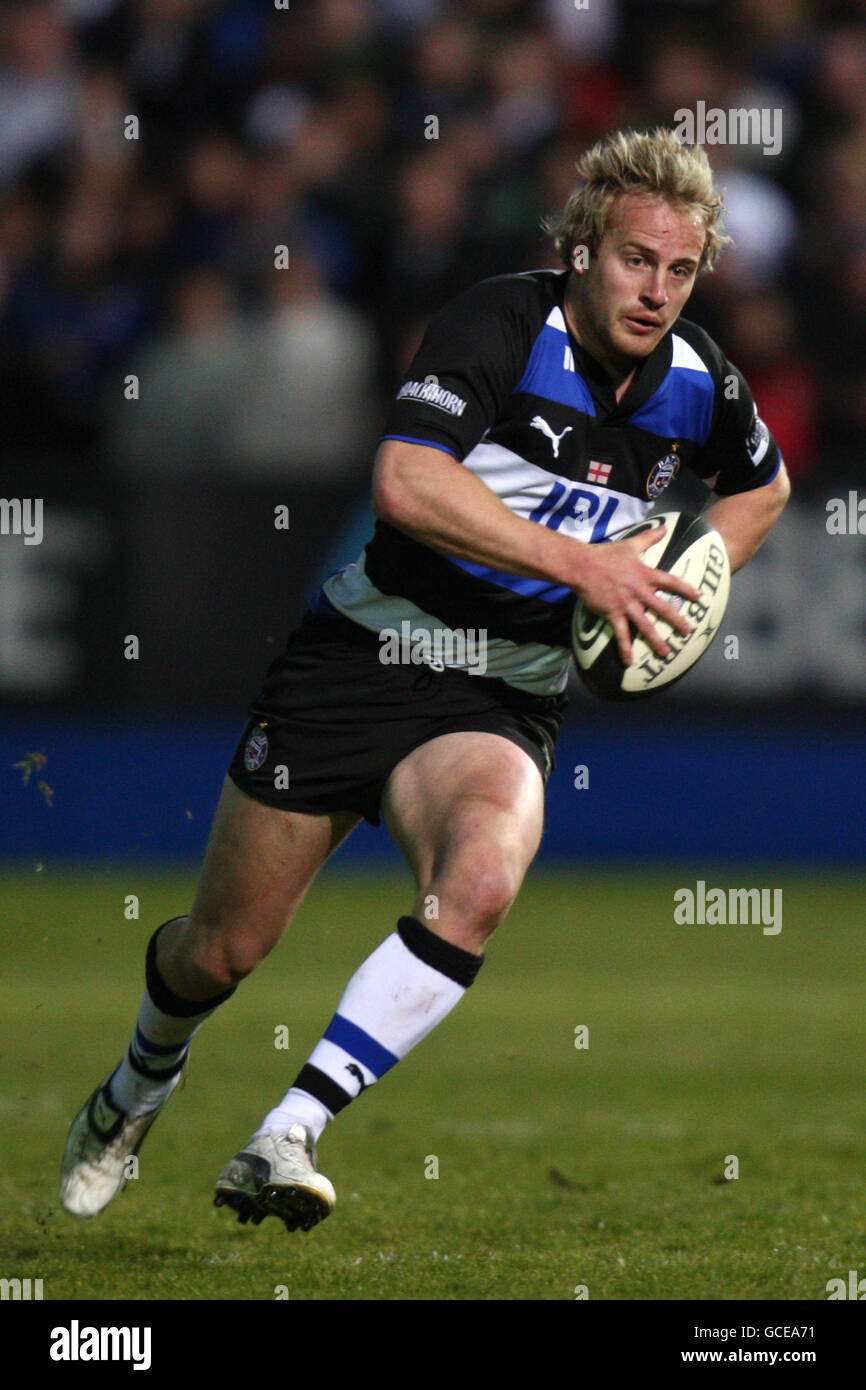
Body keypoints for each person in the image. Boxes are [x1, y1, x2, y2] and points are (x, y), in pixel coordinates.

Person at [60, 128, 790, 1233]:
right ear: (582, 249)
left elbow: (763, 488)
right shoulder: (498, 322)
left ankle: (287, 1130)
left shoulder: (698, 382)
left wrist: (682, 582)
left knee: (484, 879)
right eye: (635, 258)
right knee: (222, 949)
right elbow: (404, 481)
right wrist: (583, 564)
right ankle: (135, 1087)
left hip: (499, 692)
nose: (655, 289)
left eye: (679, 270)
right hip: (366, 652)